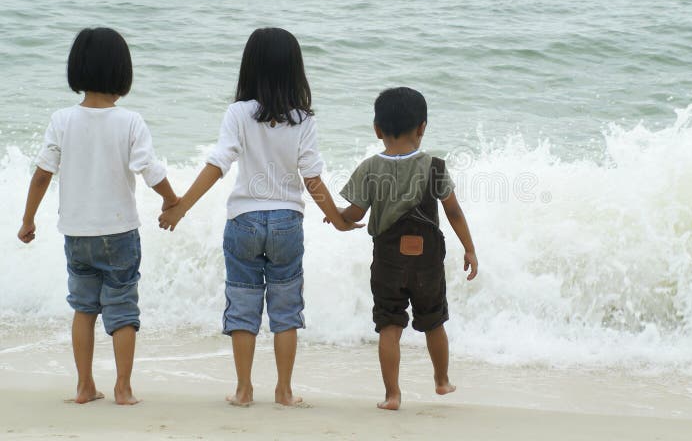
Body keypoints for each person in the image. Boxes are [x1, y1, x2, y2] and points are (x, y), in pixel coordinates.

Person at [158, 27, 362, 407]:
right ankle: (284, 391)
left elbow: (218, 164)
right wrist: (335, 218)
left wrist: (182, 205)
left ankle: (243, 390)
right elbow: (312, 176)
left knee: (243, 303)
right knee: (286, 310)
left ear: (249, 68)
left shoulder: (238, 113)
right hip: (287, 221)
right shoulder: (303, 119)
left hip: (244, 222)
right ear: (294, 71)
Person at [17, 27, 179, 405]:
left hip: (76, 233)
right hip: (119, 232)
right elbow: (149, 169)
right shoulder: (130, 121)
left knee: (83, 308)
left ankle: (84, 386)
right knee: (122, 306)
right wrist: (172, 199)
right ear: (123, 74)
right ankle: (123, 387)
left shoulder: (62, 119)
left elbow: (43, 173)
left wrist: (28, 219)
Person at [332, 87, 479, 410]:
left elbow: (354, 214)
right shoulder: (435, 167)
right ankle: (441, 380)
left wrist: (336, 217)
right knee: (434, 321)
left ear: (377, 129)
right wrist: (469, 248)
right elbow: (453, 212)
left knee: (390, 324)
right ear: (422, 127)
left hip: (387, 261)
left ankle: (392, 395)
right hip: (427, 262)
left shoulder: (369, 167)